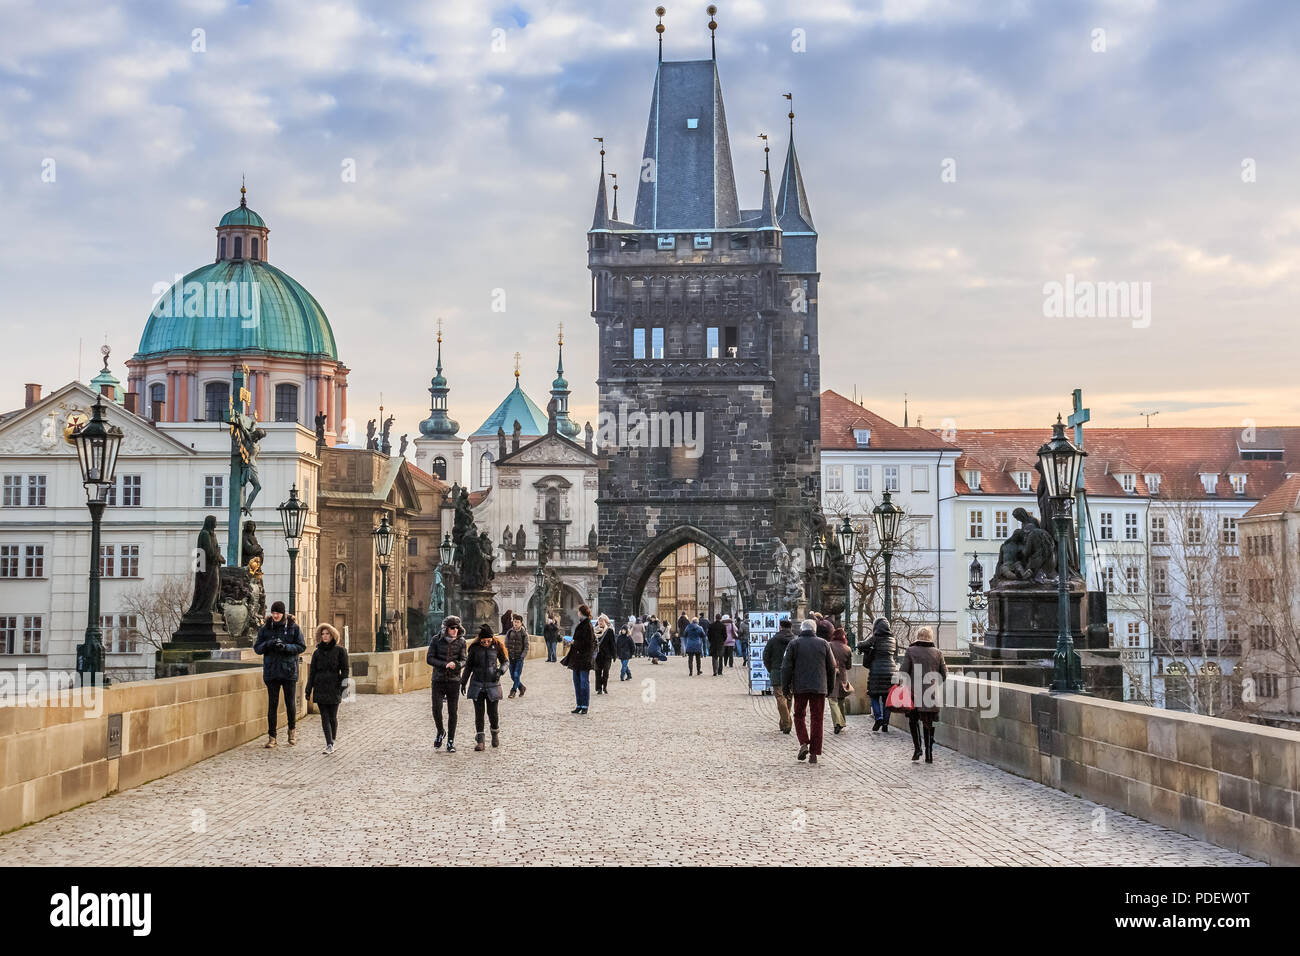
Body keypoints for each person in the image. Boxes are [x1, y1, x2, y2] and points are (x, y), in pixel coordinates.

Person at [780, 618, 837, 765]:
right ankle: (814, 753)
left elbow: (786, 667)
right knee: (817, 719)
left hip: (800, 687)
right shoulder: (824, 644)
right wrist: (830, 687)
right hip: (819, 687)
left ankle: (804, 742)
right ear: (814, 630)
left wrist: (785, 687)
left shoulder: (794, 644)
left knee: (799, 715)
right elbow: (832, 668)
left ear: (801, 630)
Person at [253, 601, 306, 748]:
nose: (275, 616)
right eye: (273, 613)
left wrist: (286, 647)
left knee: (290, 704)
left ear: (283, 613)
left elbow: (301, 646)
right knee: (272, 705)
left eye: (278, 613)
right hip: (271, 671)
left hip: (288, 671)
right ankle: (272, 736)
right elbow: (257, 648)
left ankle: (291, 732)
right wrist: (268, 644)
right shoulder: (265, 629)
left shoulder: (293, 628)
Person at [902, 625, 947, 763]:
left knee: (913, 721)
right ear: (930, 637)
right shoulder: (938, 653)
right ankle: (929, 753)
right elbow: (944, 675)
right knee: (928, 723)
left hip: (914, 693)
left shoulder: (910, 651)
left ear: (918, 637)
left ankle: (917, 749)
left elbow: (904, 672)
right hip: (931, 693)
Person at [304, 623, 349, 754]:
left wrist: (343, 687)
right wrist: (308, 689)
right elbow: (312, 672)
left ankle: (332, 739)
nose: (325, 636)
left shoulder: (340, 651)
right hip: (320, 686)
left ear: (332, 635)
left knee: (332, 717)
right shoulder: (317, 653)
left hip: (334, 686)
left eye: (327, 634)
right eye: (322, 634)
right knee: (324, 717)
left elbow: (345, 670)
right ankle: (329, 743)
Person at [461, 623, 508, 751]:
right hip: (477, 684)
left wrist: (501, 671)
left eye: (488, 641)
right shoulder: (474, 648)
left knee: (493, 713)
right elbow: (468, 666)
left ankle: (494, 733)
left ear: (492, 639)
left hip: (493, 683)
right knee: (479, 713)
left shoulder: (497, 646)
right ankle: (480, 740)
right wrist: (463, 682)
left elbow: (505, 661)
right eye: (484, 641)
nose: (486, 643)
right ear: (480, 640)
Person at [427, 614, 467, 752]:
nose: (455, 630)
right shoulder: (436, 640)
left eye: (456, 627)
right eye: (452, 628)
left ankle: (450, 741)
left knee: (452, 711)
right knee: (436, 708)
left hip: (454, 681)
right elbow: (429, 659)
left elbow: (464, 660)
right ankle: (440, 731)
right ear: (446, 629)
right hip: (438, 679)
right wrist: (444, 664)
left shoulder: (461, 641)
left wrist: (456, 665)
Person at [857, 618, 898, 733]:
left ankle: (878, 717)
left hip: (876, 671)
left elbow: (861, 645)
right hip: (890, 672)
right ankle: (885, 723)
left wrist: (862, 645)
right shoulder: (893, 640)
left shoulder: (874, 639)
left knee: (874, 696)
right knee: (886, 698)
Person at [762, 618, 795, 733]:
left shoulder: (773, 640)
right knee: (789, 697)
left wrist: (771, 669)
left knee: (780, 697)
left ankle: (786, 723)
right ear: (790, 627)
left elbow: (766, 656)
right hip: (791, 673)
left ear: (780, 627)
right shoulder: (795, 640)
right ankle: (784, 722)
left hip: (777, 671)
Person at [563, 604, 595, 714]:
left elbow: (588, 643)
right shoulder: (581, 624)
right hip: (577, 659)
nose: (577, 614)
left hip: (584, 659)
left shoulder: (587, 626)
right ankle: (579, 704)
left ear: (581, 613)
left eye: (578, 612)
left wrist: (574, 642)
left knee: (583, 682)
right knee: (577, 682)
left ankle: (585, 705)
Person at [826, 626, 853, 735]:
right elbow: (849, 666)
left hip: (831, 676)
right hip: (843, 676)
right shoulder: (847, 648)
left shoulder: (829, 645)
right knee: (841, 700)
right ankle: (842, 722)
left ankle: (838, 722)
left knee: (832, 700)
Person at [504, 613, 529, 699]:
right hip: (511, 657)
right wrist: (507, 654)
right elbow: (506, 644)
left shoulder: (524, 634)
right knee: (512, 676)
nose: (516, 623)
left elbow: (526, 647)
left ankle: (513, 691)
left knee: (516, 675)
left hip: (519, 658)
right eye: (514, 621)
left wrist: (522, 656)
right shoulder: (509, 632)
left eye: (517, 622)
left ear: (521, 623)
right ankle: (522, 687)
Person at [596, 618, 619, 694]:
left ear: (605, 622)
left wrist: (614, 654)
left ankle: (604, 686)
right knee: (598, 672)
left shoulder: (609, 631)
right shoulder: (595, 631)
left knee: (606, 672)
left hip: (607, 655)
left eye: (602, 621)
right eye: (599, 621)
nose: (600, 623)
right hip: (598, 655)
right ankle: (599, 688)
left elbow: (613, 644)